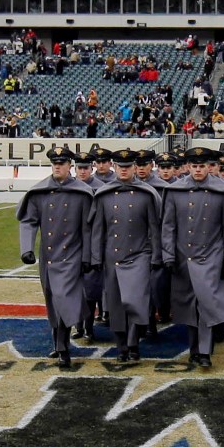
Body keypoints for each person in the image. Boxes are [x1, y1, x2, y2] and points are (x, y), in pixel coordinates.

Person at [17, 147, 94, 368]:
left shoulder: (82, 193)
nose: (58, 167)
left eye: (62, 163)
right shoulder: (39, 192)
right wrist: (26, 248)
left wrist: (87, 257)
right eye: (55, 163)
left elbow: (88, 228)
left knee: (64, 300)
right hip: (49, 256)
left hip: (72, 255)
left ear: (70, 166)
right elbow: (28, 221)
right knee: (52, 300)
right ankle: (58, 343)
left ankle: (63, 348)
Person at [161, 147, 224, 367]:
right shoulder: (174, 191)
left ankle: (204, 352)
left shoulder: (222, 192)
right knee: (189, 305)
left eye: (202, 166)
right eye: (194, 166)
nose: (198, 170)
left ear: (209, 167)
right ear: (188, 167)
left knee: (207, 303)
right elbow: (168, 226)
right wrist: (168, 255)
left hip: (211, 255)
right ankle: (194, 349)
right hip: (183, 256)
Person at [90, 149, 163, 362]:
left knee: (134, 301)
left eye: (128, 166)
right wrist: (95, 258)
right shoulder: (104, 194)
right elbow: (98, 230)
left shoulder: (147, 194)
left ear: (134, 167)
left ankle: (133, 343)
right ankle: (123, 346)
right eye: (120, 167)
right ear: (114, 167)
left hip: (139, 254)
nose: (124, 170)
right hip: (112, 257)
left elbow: (154, 229)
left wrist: (156, 256)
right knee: (116, 304)